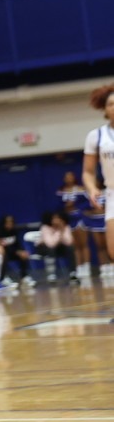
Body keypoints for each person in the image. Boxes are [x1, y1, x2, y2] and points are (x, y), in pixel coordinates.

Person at [81, 82, 114, 277]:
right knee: (112, 250)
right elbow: (88, 171)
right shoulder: (96, 136)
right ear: (104, 109)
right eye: (111, 104)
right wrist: (92, 188)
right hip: (112, 193)